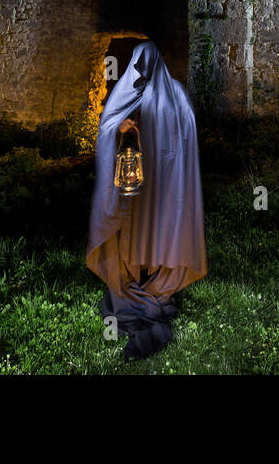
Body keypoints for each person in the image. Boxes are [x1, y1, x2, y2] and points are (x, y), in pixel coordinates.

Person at [85, 41, 207, 359]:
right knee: (132, 229)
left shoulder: (175, 94)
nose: (142, 73)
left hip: (164, 183)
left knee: (158, 226)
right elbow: (107, 125)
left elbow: (185, 133)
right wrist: (120, 128)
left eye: (146, 66)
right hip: (132, 182)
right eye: (138, 66)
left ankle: (155, 278)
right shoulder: (126, 92)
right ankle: (131, 277)